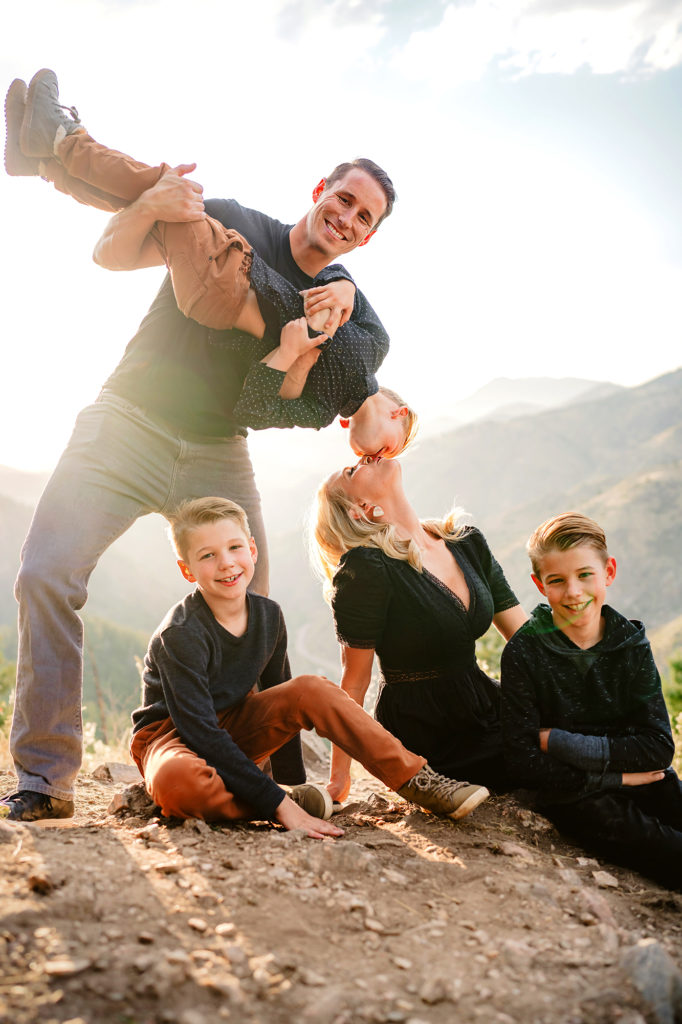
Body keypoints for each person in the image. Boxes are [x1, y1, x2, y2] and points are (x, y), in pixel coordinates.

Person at [3, 69, 401, 822]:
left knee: (258, 609)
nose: (346, 217)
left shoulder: (350, 307)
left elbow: (352, 381)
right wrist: (151, 205)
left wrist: (345, 315)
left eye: (363, 216)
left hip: (218, 447)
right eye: (343, 198)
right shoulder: (231, 221)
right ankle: (45, 778)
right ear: (319, 190)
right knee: (45, 574)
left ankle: (265, 776)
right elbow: (111, 252)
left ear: (369, 236)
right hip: (127, 421)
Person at [123, 497, 490, 837]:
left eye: (234, 547)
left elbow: (281, 705)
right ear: (187, 570)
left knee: (310, 688)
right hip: (174, 736)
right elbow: (200, 732)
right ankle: (274, 802)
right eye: (208, 555)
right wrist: (281, 805)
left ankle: (417, 779)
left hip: (235, 723)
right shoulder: (181, 633)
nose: (226, 563)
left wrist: (294, 783)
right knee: (178, 783)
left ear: (252, 549)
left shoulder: (268, 616)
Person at [311, 455, 528, 804]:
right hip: (428, 728)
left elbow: (524, 638)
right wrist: (339, 778)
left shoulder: (465, 542)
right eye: (352, 470)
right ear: (359, 509)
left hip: (484, 701)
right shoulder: (367, 568)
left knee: (582, 728)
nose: (366, 457)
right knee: (549, 756)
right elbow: (354, 681)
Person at [500, 512, 682, 889]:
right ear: (539, 585)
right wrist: (615, 776)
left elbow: (658, 748)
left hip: (645, 780)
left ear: (608, 572)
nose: (573, 592)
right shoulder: (524, 652)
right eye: (557, 580)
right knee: (668, 851)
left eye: (585, 575)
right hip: (573, 795)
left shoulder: (630, 645)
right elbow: (522, 761)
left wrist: (559, 741)